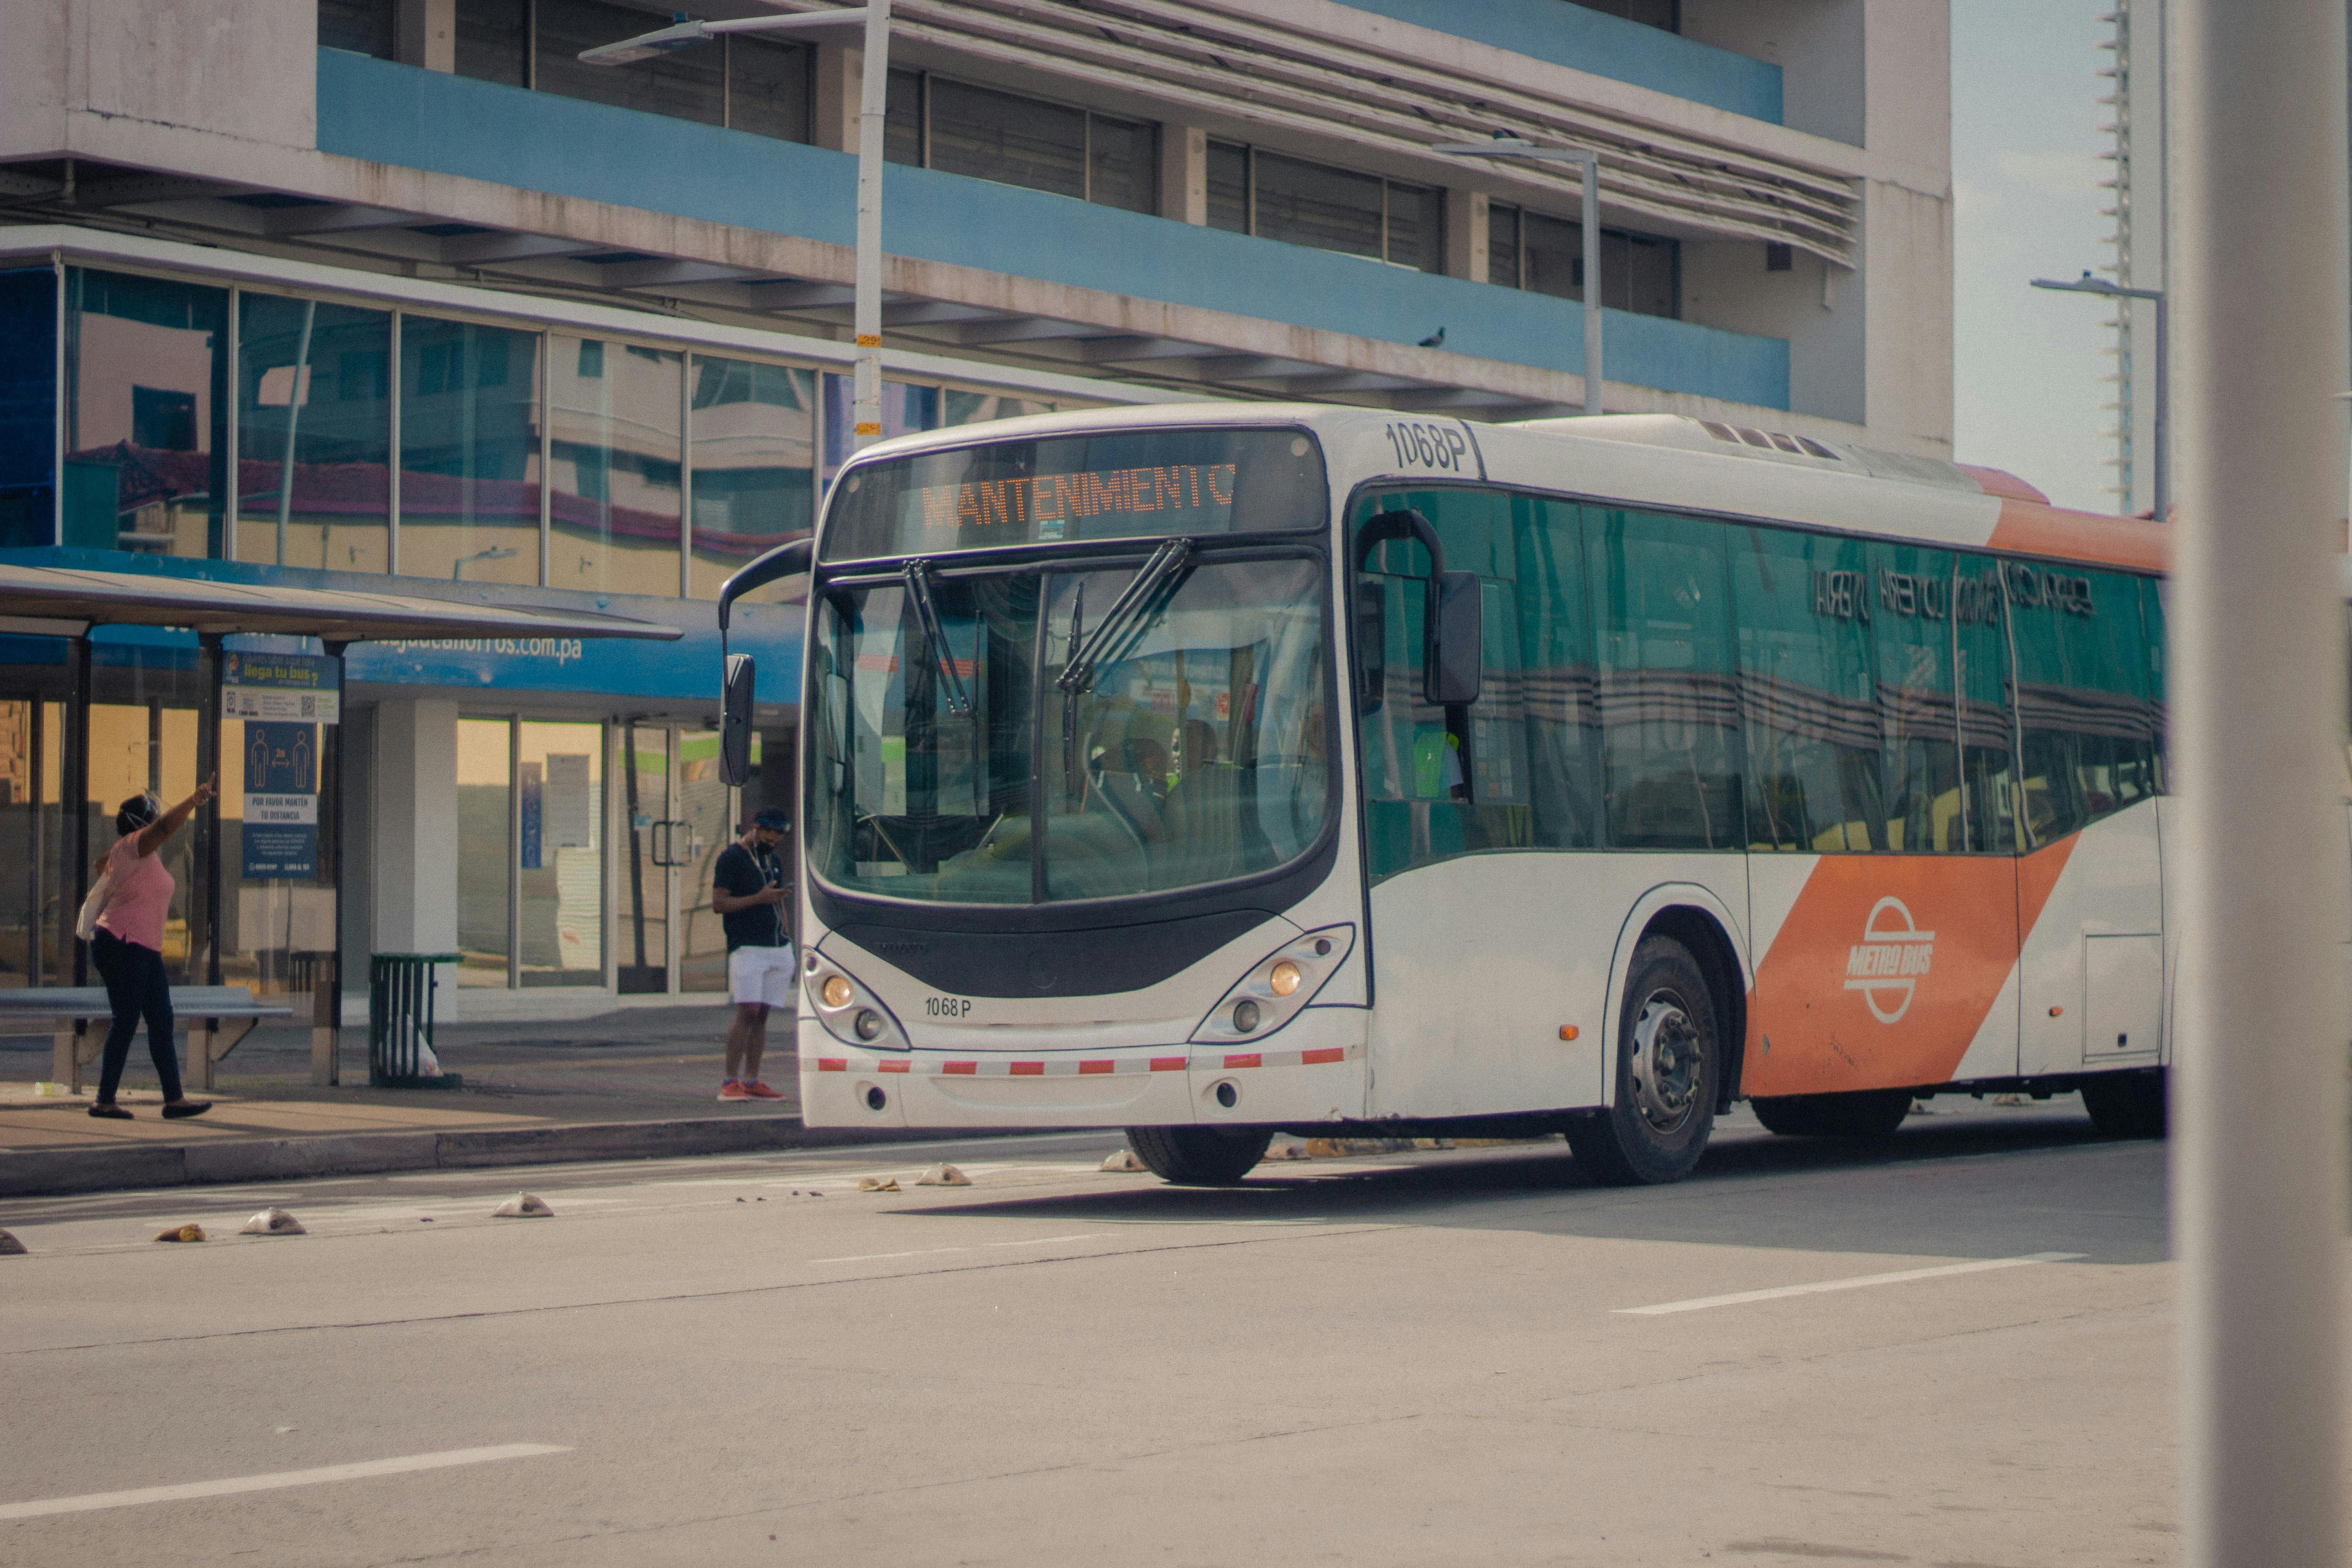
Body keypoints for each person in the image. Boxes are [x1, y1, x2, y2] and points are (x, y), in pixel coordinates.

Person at [86, 778, 217, 1121]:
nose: (158, 816)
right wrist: (193, 800)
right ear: (140, 823)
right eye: (152, 813)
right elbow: (162, 827)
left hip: (143, 948)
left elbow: (101, 866)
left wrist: (115, 865)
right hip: (123, 943)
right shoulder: (135, 845)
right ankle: (104, 1100)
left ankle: (174, 1100)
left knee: (161, 1020)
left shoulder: (134, 853)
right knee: (126, 1019)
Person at [710, 807, 793, 1102]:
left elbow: (776, 897)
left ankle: (752, 1079)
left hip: (777, 944)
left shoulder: (773, 858)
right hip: (747, 945)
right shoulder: (731, 858)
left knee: (762, 1014)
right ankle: (729, 1081)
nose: (774, 844)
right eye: (770, 837)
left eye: (779, 839)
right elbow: (719, 903)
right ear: (757, 828)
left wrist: (783, 926)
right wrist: (758, 899)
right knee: (747, 1010)